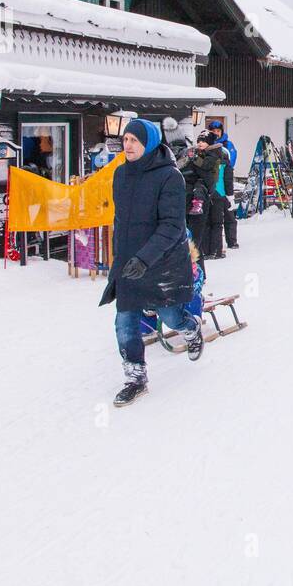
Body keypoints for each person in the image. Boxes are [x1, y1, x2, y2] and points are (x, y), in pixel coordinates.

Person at [99, 118, 202, 408]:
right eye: (125, 139)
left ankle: (190, 328)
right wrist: (119, 259)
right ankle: (135, 378)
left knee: (170, 317)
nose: (128, 145)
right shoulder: (121, 174)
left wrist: (145, 258)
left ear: (150, 143)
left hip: (162, 261)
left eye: (135, 140)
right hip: (129, 263)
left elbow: (172, 226)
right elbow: (121, 221)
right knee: (125, 322)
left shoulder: (170, 176)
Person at [178, 131, 222, 259]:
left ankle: (198, 203)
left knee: (199, 189)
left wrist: (194, 159)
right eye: (198, 141)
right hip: (195, 187)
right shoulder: (199, 153)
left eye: (203, 141)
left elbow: (206, 167)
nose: (200, 143)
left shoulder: (213, 153)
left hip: (204, 184)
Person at [207, 120, 239, 249]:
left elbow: (232, 159)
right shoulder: (207, 143)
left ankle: (232, 240)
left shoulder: (227, 145)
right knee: (214, 217)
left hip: (224, 180)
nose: (216, 133)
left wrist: (224, 166)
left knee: (229, 213)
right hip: (212, 184)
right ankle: (214, 244)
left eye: (218, 131)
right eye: (213, 131)